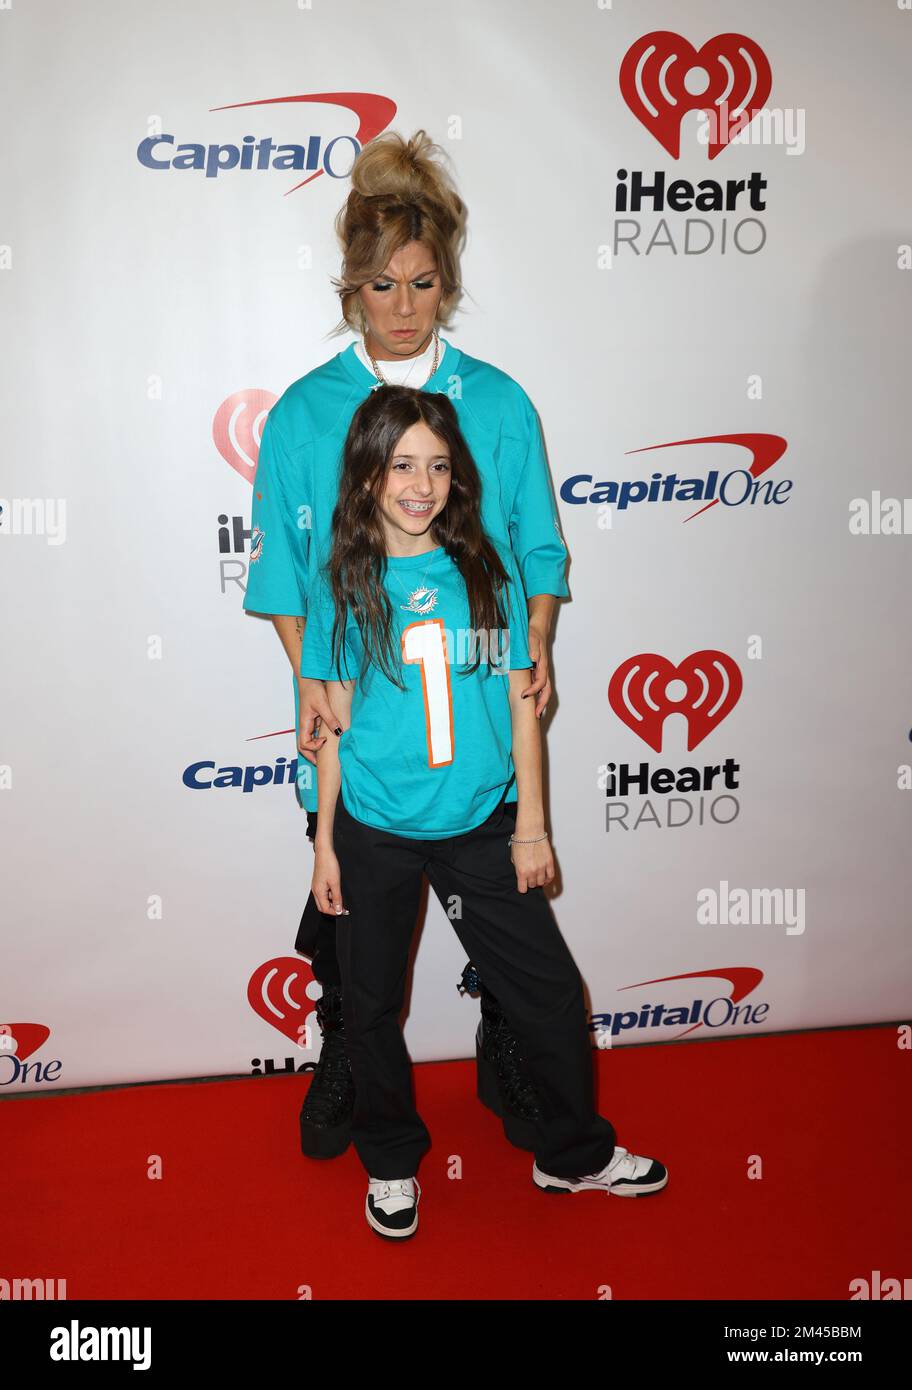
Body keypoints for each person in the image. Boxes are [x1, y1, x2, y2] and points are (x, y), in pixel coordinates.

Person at [243, 129, 565, 1157]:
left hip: (474, 718)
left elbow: (539, 553)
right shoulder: (302, 416)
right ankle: (350, 1054)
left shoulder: (503, 403)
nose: (405, 305)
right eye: (382, 283)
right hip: (364, 725)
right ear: (352, 285)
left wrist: (538, 651)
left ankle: (510, 1056)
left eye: (425, 282)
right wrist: (313, 682)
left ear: (448, 282)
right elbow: (286, 578)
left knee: (508, 939)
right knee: (355, 943)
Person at [301, 383, 668, 1238]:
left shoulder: (486, 576)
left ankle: (572, 1155)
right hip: (375, 832)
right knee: (368, 1005)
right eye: (400, 465)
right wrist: (324, 845)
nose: (420, 483)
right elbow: (330, 729)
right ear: (365, 478)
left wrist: (532, 828)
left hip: (481, 829)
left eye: (436, 465)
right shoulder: (343, 586)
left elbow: (521, 711)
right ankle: (391, 1162)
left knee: (546, 991)